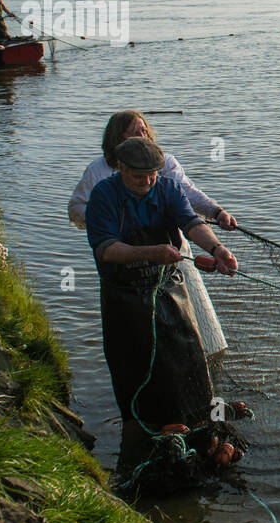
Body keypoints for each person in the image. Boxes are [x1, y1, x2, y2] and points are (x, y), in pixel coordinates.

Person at [85, 136, 241, 467]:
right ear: (121, 168)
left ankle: (200, 429)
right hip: (124, 295)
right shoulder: (103, 196)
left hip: (170, 289)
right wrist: (152, 252)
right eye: (140, 176)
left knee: (188, 357)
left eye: (153, 174)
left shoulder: (167, 188)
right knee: (138, 365)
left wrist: (216, 249)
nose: (148, 181)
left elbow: (192, 222)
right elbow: (107, 248)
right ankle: (147, 438)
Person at [69, 109, 235, 357]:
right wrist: (103, 220)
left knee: (186, 331)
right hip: (124, 273)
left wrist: (216, 242)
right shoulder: (100, 182)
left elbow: (190, 215)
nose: (147, 182)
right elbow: (83, 219)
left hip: (171, 256)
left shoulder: (167, 172)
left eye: (144, 129)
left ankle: (205, 357)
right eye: (135, 131)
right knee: (136, 349)